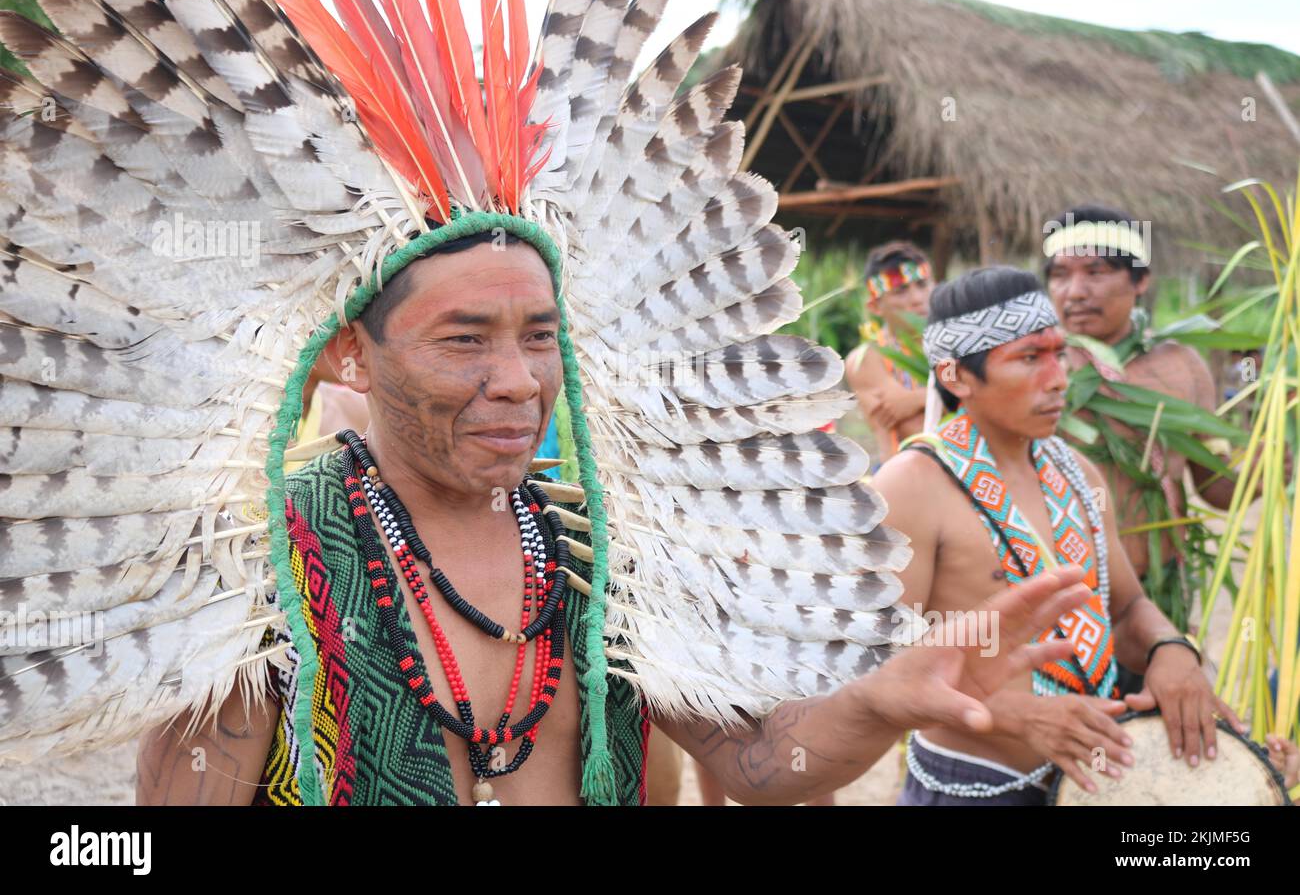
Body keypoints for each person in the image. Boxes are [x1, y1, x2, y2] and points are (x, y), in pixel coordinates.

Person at [135, 234, 1092, 805]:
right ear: (353, 355)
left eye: (539, 337)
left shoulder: (599, 555)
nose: (516, 382)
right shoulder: (264, 570)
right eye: (463, 340)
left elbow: (756, 762)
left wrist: (882, 701)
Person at [872, 266, 1243, 805]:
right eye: (1029, 358)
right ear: (955, 376)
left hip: (1088, 781)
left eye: (1058, 353)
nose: (1058, 377)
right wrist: (1014, 714)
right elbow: (881, 668)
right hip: (972, 787)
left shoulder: (1076, 473)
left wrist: (1169, 648)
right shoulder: (912, 486)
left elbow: (1125, 605)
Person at [1043, 205, 1237, 616]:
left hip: (1158, 592)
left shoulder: (1182, 365)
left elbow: (1216, 488)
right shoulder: (1037, 366)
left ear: (1140, 280)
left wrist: (1268, 464)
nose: (1074, 292)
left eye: (1095, 272)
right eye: (1060, 275)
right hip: (1057, 595)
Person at [845, 241, 933, 461]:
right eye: (901, 291)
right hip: (907, 478)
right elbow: (915, 429)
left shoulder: (952, 343)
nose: (917, 299)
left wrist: (919, 398)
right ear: (875, 307)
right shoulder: (868, 359)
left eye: (922, 284)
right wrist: (951, 393)